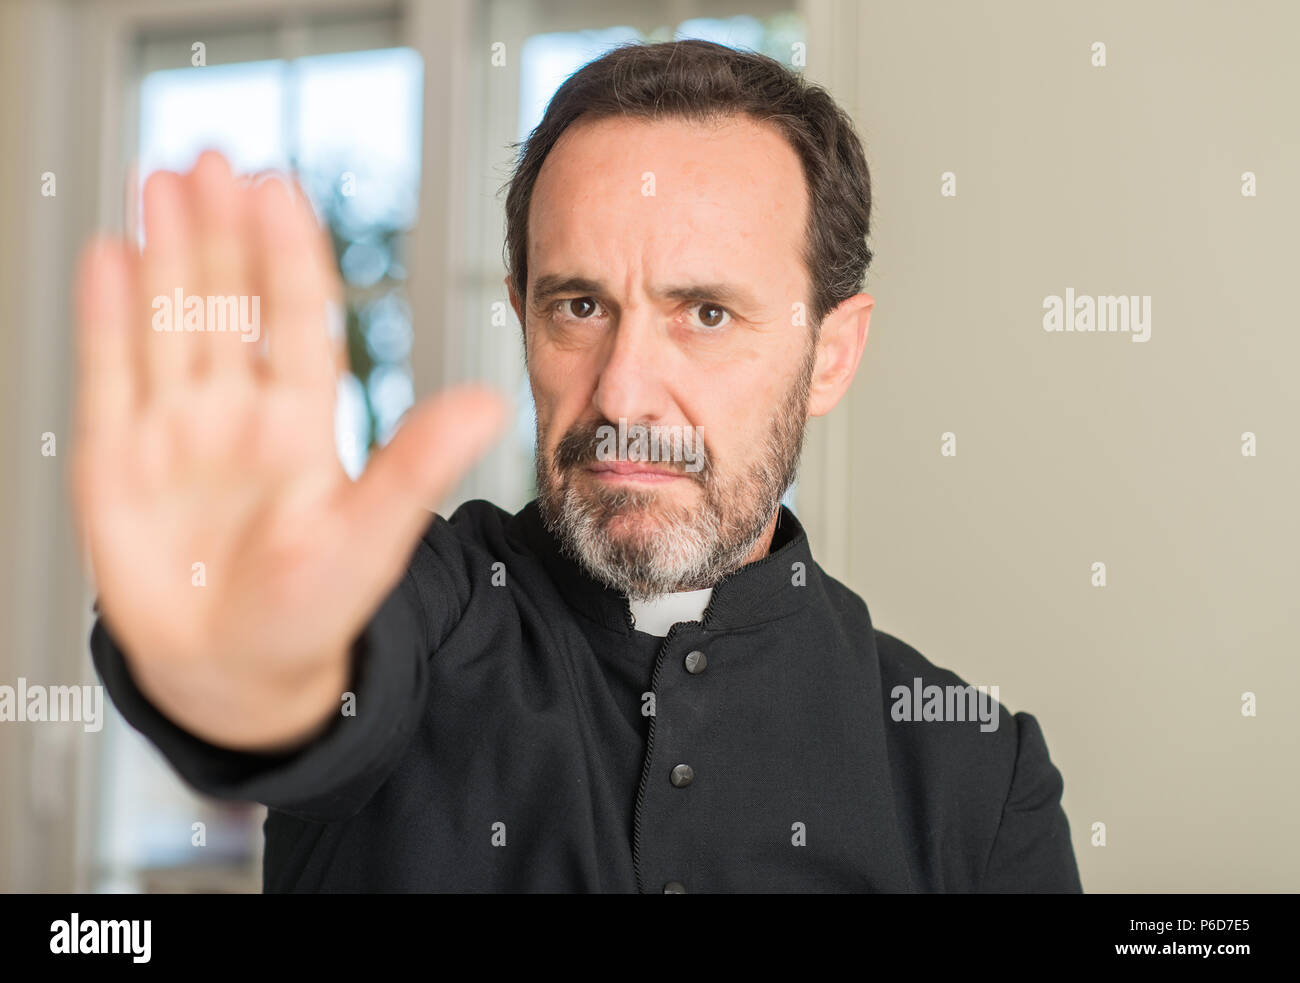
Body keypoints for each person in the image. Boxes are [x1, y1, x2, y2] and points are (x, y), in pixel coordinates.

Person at [77, 40, 1082, 892]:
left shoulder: (973, 775)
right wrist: (252, 672)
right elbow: (321, 673)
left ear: (831, 353)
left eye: (707, 312)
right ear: (522, 313)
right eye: (579, 307)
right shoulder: (423, 610)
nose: (620, 394)